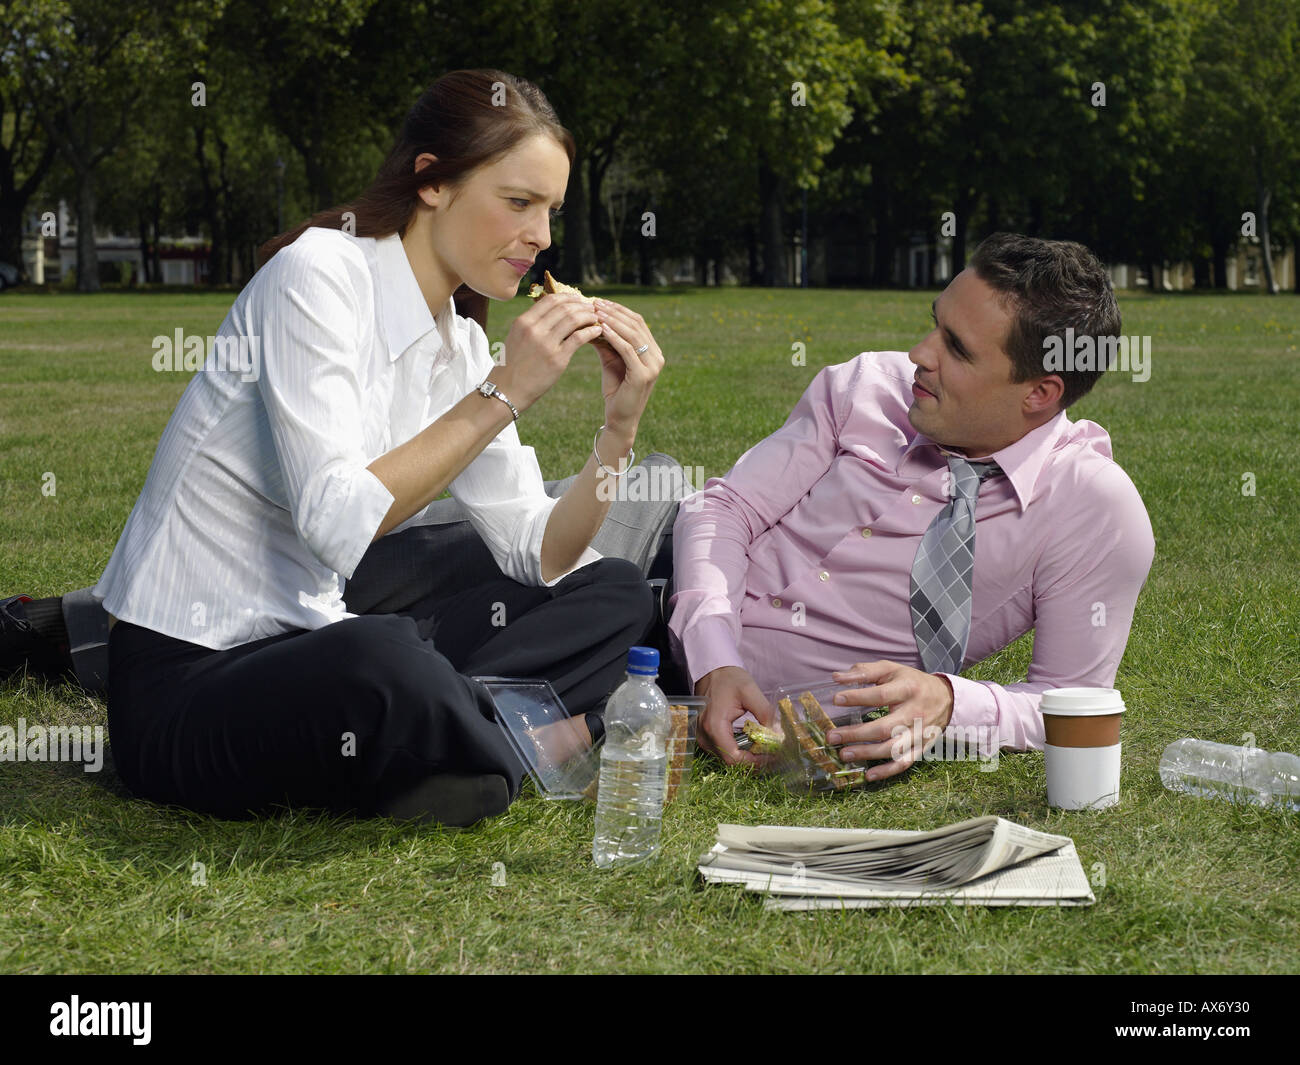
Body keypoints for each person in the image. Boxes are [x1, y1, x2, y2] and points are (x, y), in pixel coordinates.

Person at [1, 69, 668, 827]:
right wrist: (505, 391)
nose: (543, 237)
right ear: (432, 184)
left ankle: (455, 737)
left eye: (551, 210)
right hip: (188, 679)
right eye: (518, 202)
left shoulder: (463, 344)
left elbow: (540, 552)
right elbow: (336, 519)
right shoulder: (316, 276)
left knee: (611, 590)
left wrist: (619, 429)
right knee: (381, 657)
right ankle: (509, 744)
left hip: (317, 638)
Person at [669, 233, 1156, 779]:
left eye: (958, 349)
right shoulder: (868, 387)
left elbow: (1072, 703)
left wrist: (951, 703)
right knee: (625, 517)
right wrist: (715, 659)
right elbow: (725, 508)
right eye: (935, 325)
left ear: (1039, 393)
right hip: (666, 583)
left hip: (738, 712)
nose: (919, 355)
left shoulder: (1092, 512)